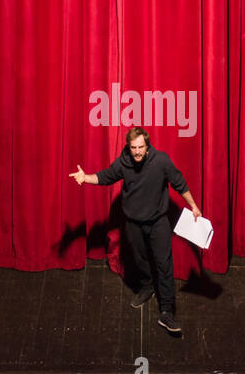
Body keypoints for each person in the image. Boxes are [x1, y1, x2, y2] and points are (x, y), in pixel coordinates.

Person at [69, 127, 200, 335]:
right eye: (133, 148)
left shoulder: (161, 161)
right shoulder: (124, 162)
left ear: (147, 147)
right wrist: (86, 178)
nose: (137, 152)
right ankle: (148, 286)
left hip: (158, 222)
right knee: (139, 260)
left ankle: (167, 312)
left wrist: (193, 205)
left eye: (141, 147)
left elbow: (179, 183)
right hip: (133, 223)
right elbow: (106, 176)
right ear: (128, 147)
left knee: (164, 265)